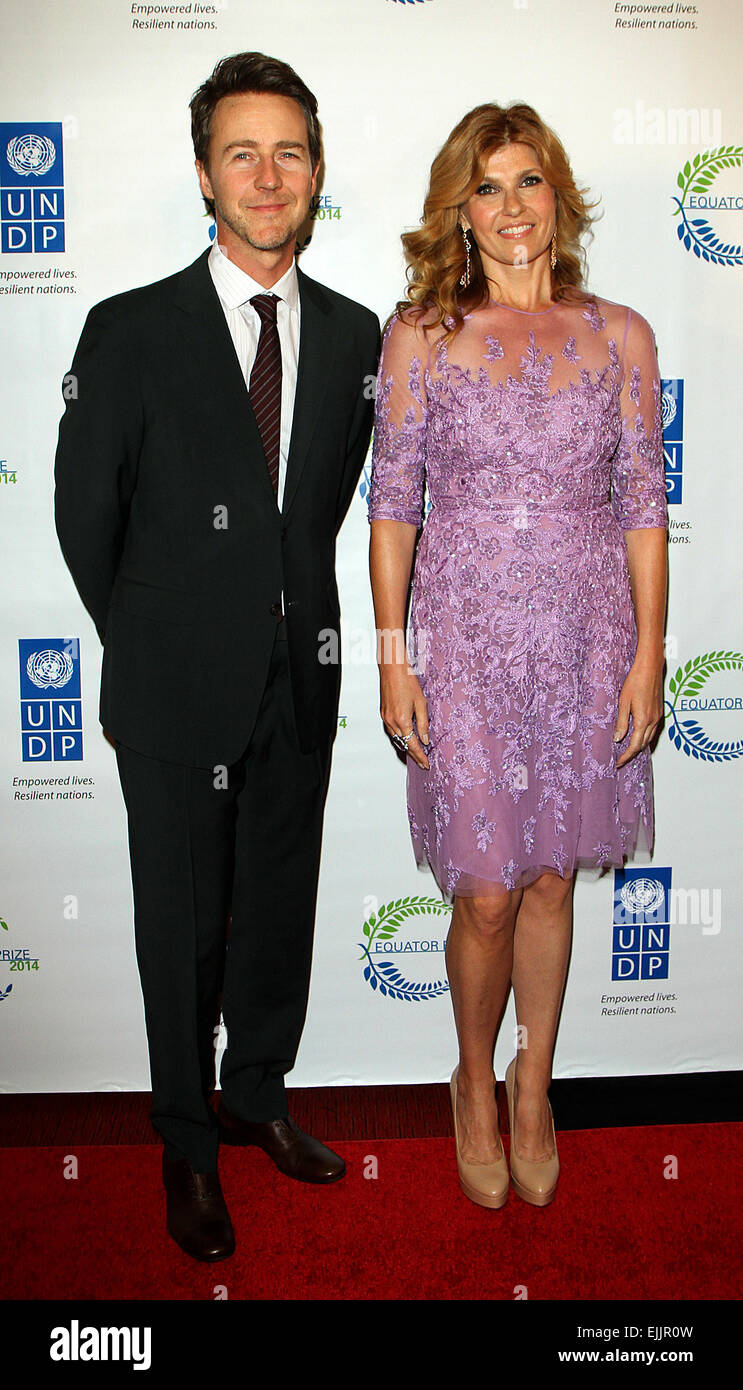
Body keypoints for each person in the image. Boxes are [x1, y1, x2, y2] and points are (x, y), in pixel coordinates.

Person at [54, 51, 380, 1260]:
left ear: (315, 173)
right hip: (173, 694)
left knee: (274, 917)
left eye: (288, 151)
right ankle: (187, 1146)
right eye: (240, 151)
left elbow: (322, 509)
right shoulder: (128, 330)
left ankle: (258, 1098)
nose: (266, 174)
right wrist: (159, 635)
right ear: (203, 173)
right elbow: (85, 519)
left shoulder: (354, 337)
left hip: (300, 686)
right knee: (179, 932)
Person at [368, 103, 668, 1210]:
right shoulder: (420, 337)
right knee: (486, 890)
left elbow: (643, 503)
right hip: (467, 637)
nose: (510, 207)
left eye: (527, 181)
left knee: (550, 877)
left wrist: (647, 655)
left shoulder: (620, 334)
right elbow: (392, 506)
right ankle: (471, 1081)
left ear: (559, 195)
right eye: (485, 187)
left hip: (588, 635)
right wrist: (396, 659)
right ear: (460, 210)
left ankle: (533, 1079)